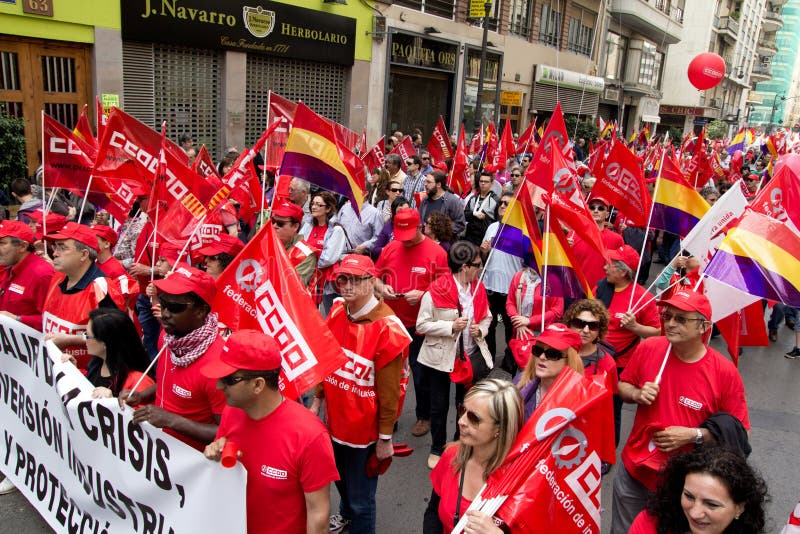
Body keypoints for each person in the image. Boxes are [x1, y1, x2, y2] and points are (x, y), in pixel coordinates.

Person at [611, 290, 751, 534]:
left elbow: (739, 432)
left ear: (703, 327)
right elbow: (623, 384)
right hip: (635, 471)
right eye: (668, 316)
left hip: (685, 487)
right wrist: (636, 394)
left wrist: (693, 435)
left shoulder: (724, 373)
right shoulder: (650, 348)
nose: (671, 323)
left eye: (681, 319)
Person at [312, 255, 411, 534]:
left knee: (361, 501)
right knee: (341, 483)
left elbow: (391, 394)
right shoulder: (337, 311)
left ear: (372, 282)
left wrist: (385, 439)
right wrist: (318, 399)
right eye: (343, 278)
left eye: (356, 279)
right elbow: (326, 359)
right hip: (334, 424)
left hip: (363, 435)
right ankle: (344, 515)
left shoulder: (388, 329)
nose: (347, 285)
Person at [203, 330, 339, 534]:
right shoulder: (232, 411)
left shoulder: (310, 436)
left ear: (258, 385)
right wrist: (215, 454)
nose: (218, 385)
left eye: (229, 380)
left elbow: (318, 516)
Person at [120, 265, 227, 451]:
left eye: (175, 307)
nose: (166, 313)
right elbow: (168, 382)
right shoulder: (169, 336)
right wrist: (141, 396)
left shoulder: (219, 366)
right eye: (164, 303)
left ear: (201, 311)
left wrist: (171, 420)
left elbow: (225, 434)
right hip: (159, 452)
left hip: (190, 467)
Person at [417, 241, 493, 469]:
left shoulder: (478, 289)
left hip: (468, 357)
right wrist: (449, 327)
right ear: (465, 266)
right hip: (441, 359)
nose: (480, 269)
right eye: (477, 265)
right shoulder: (436, 290)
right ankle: (437, 448)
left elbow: (487, 317)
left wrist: (481, 329)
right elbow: (422, 325)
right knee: (439, 405)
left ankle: (460, 444)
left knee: (465, 405)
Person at [376, 208, 449, 439]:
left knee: (420, 374)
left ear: (420, 228)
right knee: (388, 374)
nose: (405, 243)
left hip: (420, 325)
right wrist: (382, 287)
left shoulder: (437, 253)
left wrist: (424, 294)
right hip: (392, 322)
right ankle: (390, 416)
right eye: (401, 237)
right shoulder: (390, 247)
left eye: (409, 237)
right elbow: (376, 275)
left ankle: (424, 415)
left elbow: (446, 287)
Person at [422, 379, 524, 534]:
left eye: (474, 418)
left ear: (500, 429)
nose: (461, 421)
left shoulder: (520, 483)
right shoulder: (452, 456)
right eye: (462, 410)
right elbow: (433, 512)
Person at [595, 244, 661, 447]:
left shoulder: (642, 297)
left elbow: (656, 332)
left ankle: (608, 450)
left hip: (620, 363)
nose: (605, 267)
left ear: (623, 271)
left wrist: (635, 326)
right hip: (595, 358)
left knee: (612, 408)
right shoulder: (601, 287)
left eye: (610, 264)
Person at [630, 446, 768, 534]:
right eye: (689, 496)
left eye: (711, 504)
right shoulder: (650, 523)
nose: (695, 514)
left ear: (740, 508)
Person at [43, 222, 123, 369]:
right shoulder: (57, 277)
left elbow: (115, 335)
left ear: (84, 254)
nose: (54, 253)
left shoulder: (101, 288)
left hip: (87, 379)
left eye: (63, 247)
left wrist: (72, 339)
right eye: (55, 246)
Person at [514, 323, 583, 420]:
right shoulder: (519, 382)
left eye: (552, 354)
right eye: (538, 350)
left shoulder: (581, 400)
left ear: (569, 361)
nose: (542, 357)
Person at [85, 308, 154, 399]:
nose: (84, 339)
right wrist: (72, 369)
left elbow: (139, 412)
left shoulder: (139, 382)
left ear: (105, 343)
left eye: (87, 335)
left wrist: (112, 402)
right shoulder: (97, 362)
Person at [505, 266, 563, 372]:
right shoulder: (519, 277)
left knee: (539, 369)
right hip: (520, 332)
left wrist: (529, 321)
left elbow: (557, 311)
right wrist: (519, 322)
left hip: (542, 333)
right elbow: (510, 303)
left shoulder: (553, 281)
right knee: (520, 369)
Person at [0, 220, 54, 330]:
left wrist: (17, 319)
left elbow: (53, 321)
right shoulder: (10, 267)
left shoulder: (42, 275)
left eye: (2, 243)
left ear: (23, 246)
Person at [563, 299, 619, 391]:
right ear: (570, 324)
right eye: (579, 323)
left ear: (600, 330)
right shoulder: (554, 352)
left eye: (593, 325)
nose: (586, 330)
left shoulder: (607, 363)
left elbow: (610, 398)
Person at [571, 196, 625, 288]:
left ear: (607, 215)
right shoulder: (574, 234)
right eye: (592, 208)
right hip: (577, 288)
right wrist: (565, 247)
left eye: (600, 208)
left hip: (603, 290)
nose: (596, 211)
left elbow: (621, 267)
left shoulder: (617, 239)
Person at [271, 201, 318, 286]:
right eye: (273, 221)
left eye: (280, 223)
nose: (274, 226)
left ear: (295, 227)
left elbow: (292, 288)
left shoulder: (306, 254)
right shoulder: (266, 242)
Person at [419, 170, 466, 240]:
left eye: (429, 182)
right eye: (425, 181)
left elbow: (460, 224)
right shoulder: (425, 200)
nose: (425, 184)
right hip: (426, 243)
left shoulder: (452, 201)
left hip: (444, 245)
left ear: (438, 184)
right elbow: (420, 221)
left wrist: (441, 232)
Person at [463, 170, 498, 246]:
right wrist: (474, 214)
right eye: (481, 181)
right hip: (470, 237)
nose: (483, 183)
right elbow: (464, 215)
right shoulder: (473, 198)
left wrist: (486, 218)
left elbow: (497, 221)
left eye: (486, 182)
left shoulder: (496, 200)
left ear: (491, 184)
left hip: (484, 238)